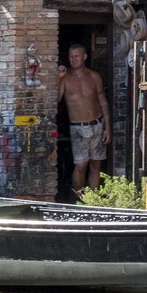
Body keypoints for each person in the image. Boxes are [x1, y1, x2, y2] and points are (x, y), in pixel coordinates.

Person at [57, 42, 111, 197]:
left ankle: (92, 200)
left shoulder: (94, 76)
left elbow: (103, 102)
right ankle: (78, 198)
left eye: (77, 56)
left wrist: (108, 128)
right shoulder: (65, 78)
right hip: (78, 127)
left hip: (97, 124)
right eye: (71, 56)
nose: (73, 59)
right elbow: (56, 100)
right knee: (81, 165)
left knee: (96, 164)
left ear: (84, 57)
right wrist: (58, 78)